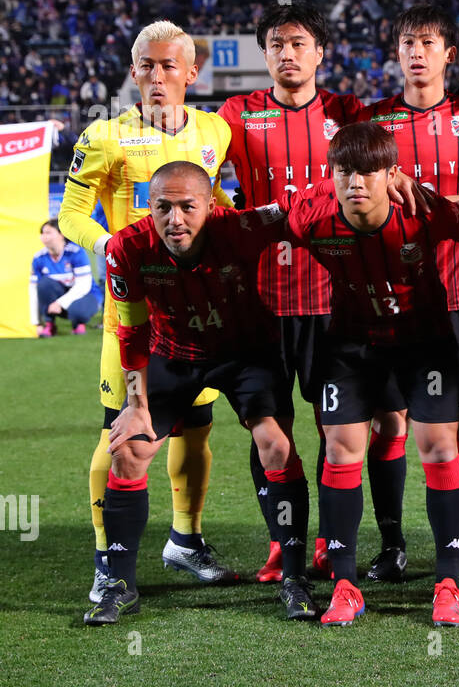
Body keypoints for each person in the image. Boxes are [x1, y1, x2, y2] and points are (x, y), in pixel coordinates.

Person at [59, 20, 238, 607]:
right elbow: (72, 216)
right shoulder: (105, 137)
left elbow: (221, 202)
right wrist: (109, 244)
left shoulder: (216, 132)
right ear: (133, 71)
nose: (156, 77)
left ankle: (185, 539)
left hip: (199, 315)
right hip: (132, 314)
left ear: (191, 73)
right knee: (123, 433)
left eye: (168, 67)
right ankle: (108, 561)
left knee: (195, 428)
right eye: (146, 65)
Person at [85, 162, 303, 625]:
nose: (175, 219)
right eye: (163, 207)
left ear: (210, 205)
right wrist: (137, 405)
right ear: (149, 206)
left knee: (276, 446)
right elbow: (131, 331)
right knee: (128, 450)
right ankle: (119, 585)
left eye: (188, 207)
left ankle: (295, 578)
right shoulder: (127, 247)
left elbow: (302, 206)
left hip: (247, 352)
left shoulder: (242, 226)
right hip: (174, 353)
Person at [282, 122, 459, 628]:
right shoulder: (311, 218)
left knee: (437, 446)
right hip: (351, 345)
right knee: (342, 446)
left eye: (370, 172)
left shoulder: (422, 212)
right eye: (345, 172)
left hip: (424, 343)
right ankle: (345, 585)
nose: (356, 183)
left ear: (392, 175)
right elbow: (272, 218)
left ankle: (447, 582)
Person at [218, 1, 369, 584]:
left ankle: (333, 541)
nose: (288, 53)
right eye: (277, 44)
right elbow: (191, 159)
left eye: (299, 43)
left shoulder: (348, 114)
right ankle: (285, 541)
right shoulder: (236, 114)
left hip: (335, 306)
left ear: (320, 52)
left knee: (339, 432)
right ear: (264, 54)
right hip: (261, 306)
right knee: (273, 438)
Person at [357, 3, 459, 582]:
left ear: (450, 54)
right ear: (396, 54)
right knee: (388, 423)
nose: (416, 53)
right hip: (389, 302)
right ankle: (393, 545)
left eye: (428, 43)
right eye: (407, 43)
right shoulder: (370, 126)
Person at [31, 219, 99, 336]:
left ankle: (78, 323)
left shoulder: (76, 253)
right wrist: (37, 322)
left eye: (48, 232)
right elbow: (33, 290)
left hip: (87, 295)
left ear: (61, 234)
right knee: (44, 284)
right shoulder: (38, 258)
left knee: (79, 312)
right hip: (58, 302)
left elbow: (83, 286)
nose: (44, 236)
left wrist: (60, 303)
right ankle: (49, 324)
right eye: (42, 233)